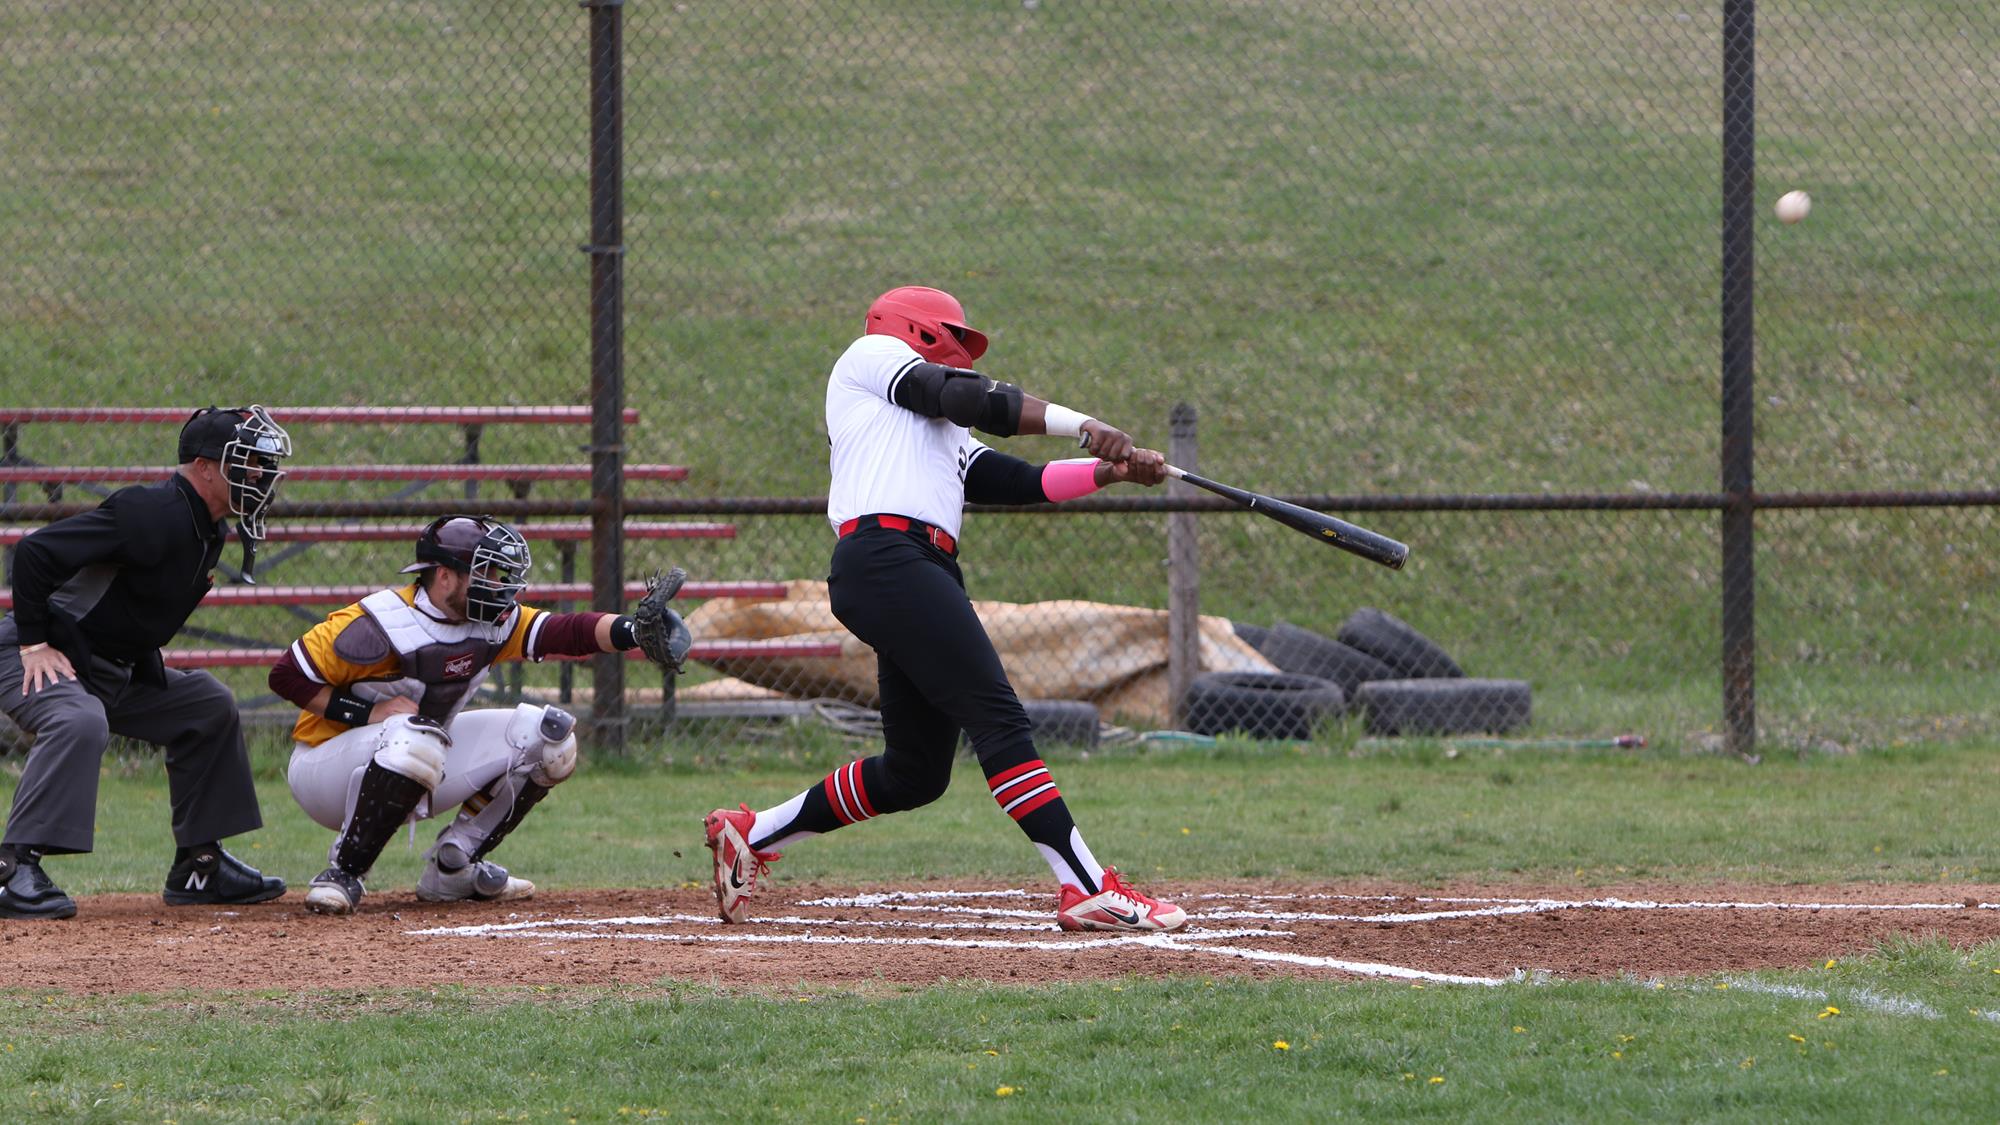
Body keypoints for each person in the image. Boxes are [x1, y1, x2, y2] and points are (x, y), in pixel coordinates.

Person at [703, 285, 1188, 933]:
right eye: (954, 336)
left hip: (916, 569)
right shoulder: (871, 357)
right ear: (918, 329)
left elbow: (1019, 480)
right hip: (886, 557)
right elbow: (962, 394)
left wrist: (1110, 472)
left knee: (915, 772)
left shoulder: (938, 427)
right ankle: (1085, 886)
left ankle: (752, 833)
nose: (961, 352)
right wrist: (1084, 425)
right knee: (997, 716)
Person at [270, 514, 690, 915]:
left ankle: (454, 867)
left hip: (418, 754)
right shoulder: (379, 621)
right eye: (484, 572)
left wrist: (633, 632)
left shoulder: (490, 621)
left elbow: (567, 631)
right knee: (415, 736)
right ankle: (344, 873)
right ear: (444, 575)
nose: (497, 584)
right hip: (325, 769)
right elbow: (286, 675)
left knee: (550, 738)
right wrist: (370, 711)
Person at [0, 405, 294, 920]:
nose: (258, 475)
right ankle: (11, 867)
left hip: (103, 668)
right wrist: (33, 643)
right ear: (204, 467)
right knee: (78, 719)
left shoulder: (207, 529)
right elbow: (33, 555)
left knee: (206, 704)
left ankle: (199, 866)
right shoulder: (152, 512)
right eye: (246, 462)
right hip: (30, 655)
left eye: (260, 464)